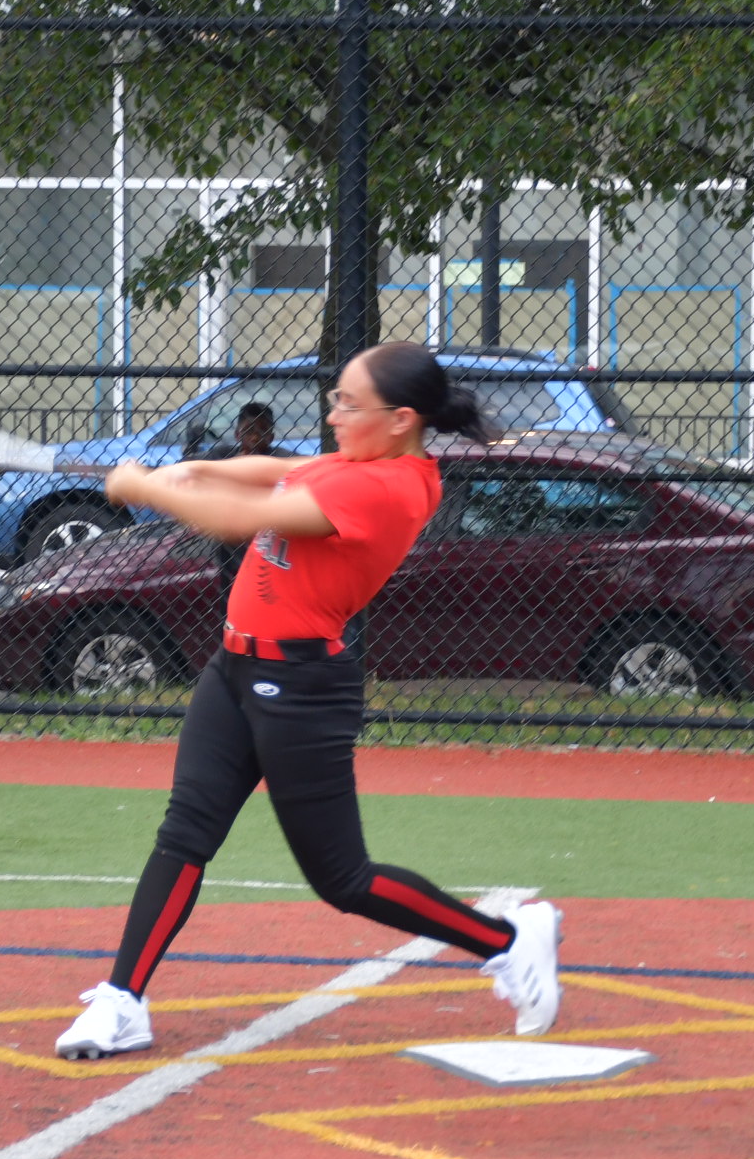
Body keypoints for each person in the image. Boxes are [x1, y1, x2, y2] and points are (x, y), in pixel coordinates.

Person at [53, 342, 563, 1059]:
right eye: (336, 397)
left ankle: (508, 941)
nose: (334, 412)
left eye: (349, 404)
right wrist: (190, 469)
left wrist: (146, 489)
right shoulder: (359, 462)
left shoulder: (388, 487)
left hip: (299, 689)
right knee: (184, 835)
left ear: (401, 420)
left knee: (344, 880)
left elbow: (236, 520)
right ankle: (122, 1000)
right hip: (233, 671)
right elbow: (275, 471)